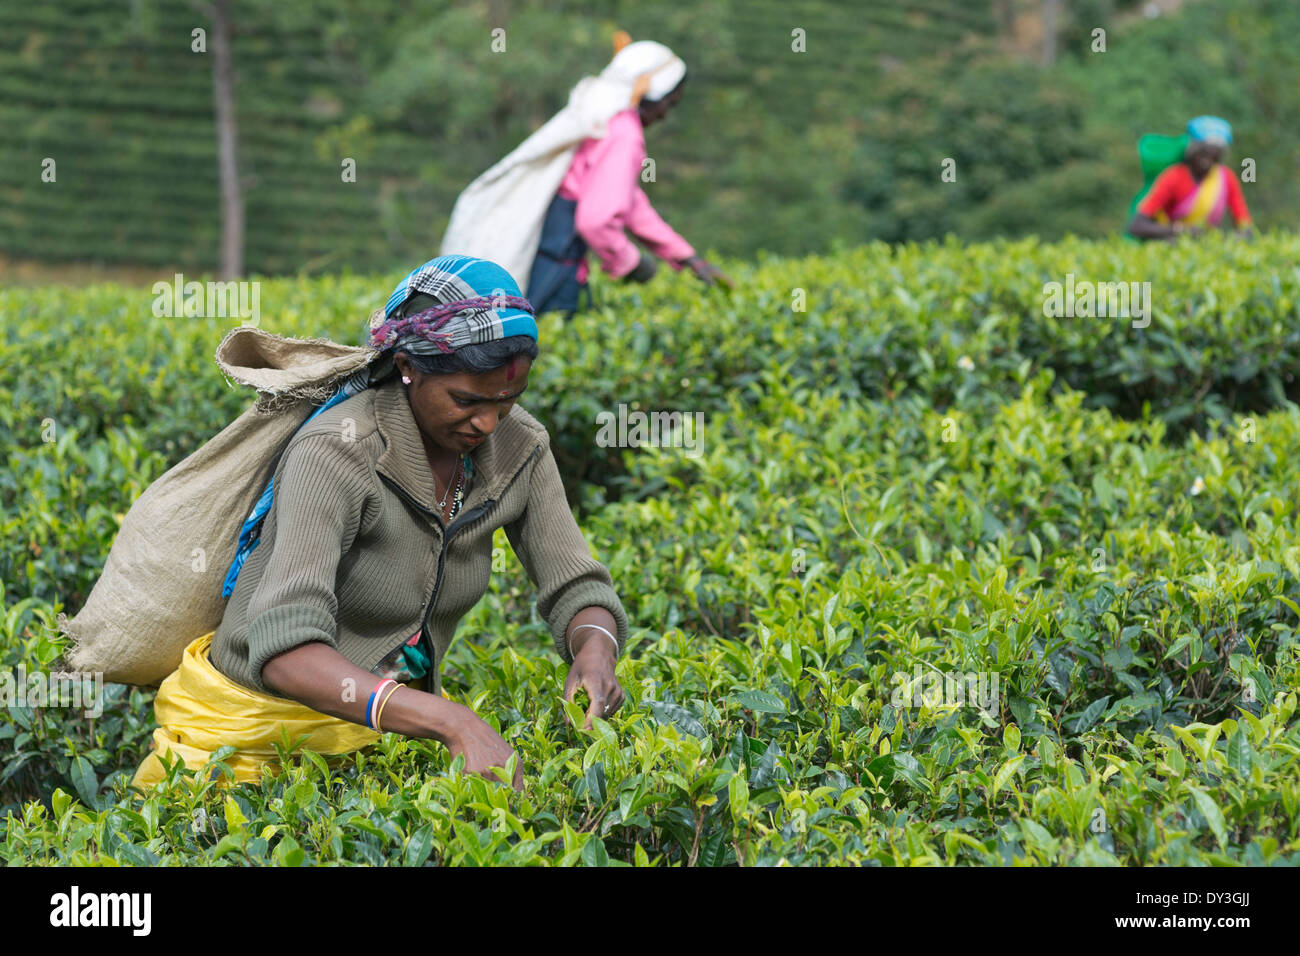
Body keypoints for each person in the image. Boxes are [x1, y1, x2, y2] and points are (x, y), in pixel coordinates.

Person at [133, 255, 629, 791]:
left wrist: (595, 650)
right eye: (465, 400)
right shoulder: (339, 452)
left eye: (507, 401)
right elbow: (285, 652)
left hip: (385, 733)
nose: (487, 422)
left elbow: (577, 586)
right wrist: (451, 721)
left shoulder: (519, 447)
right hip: (256, 735)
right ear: (409, 367)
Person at [440, 33, 731, 318]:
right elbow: (596, 221)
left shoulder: (603, 117)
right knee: (541, 346)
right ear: (648, 93)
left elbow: (628, 200)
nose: (665, 115)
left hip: (547, 255)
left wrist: (687, 258)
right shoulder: (624, 133)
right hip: (556, 265)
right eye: (669, 104)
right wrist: (630, 263)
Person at [1127, 115, 1253, 241]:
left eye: (1214, 155)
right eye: (1203, 153)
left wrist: (1227, 238)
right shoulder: (1175, 176)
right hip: (1171, 245)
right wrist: (1181, 230)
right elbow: (1137, 225)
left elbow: (1245, 225)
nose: (1206, 162)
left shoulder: (1226, 178)